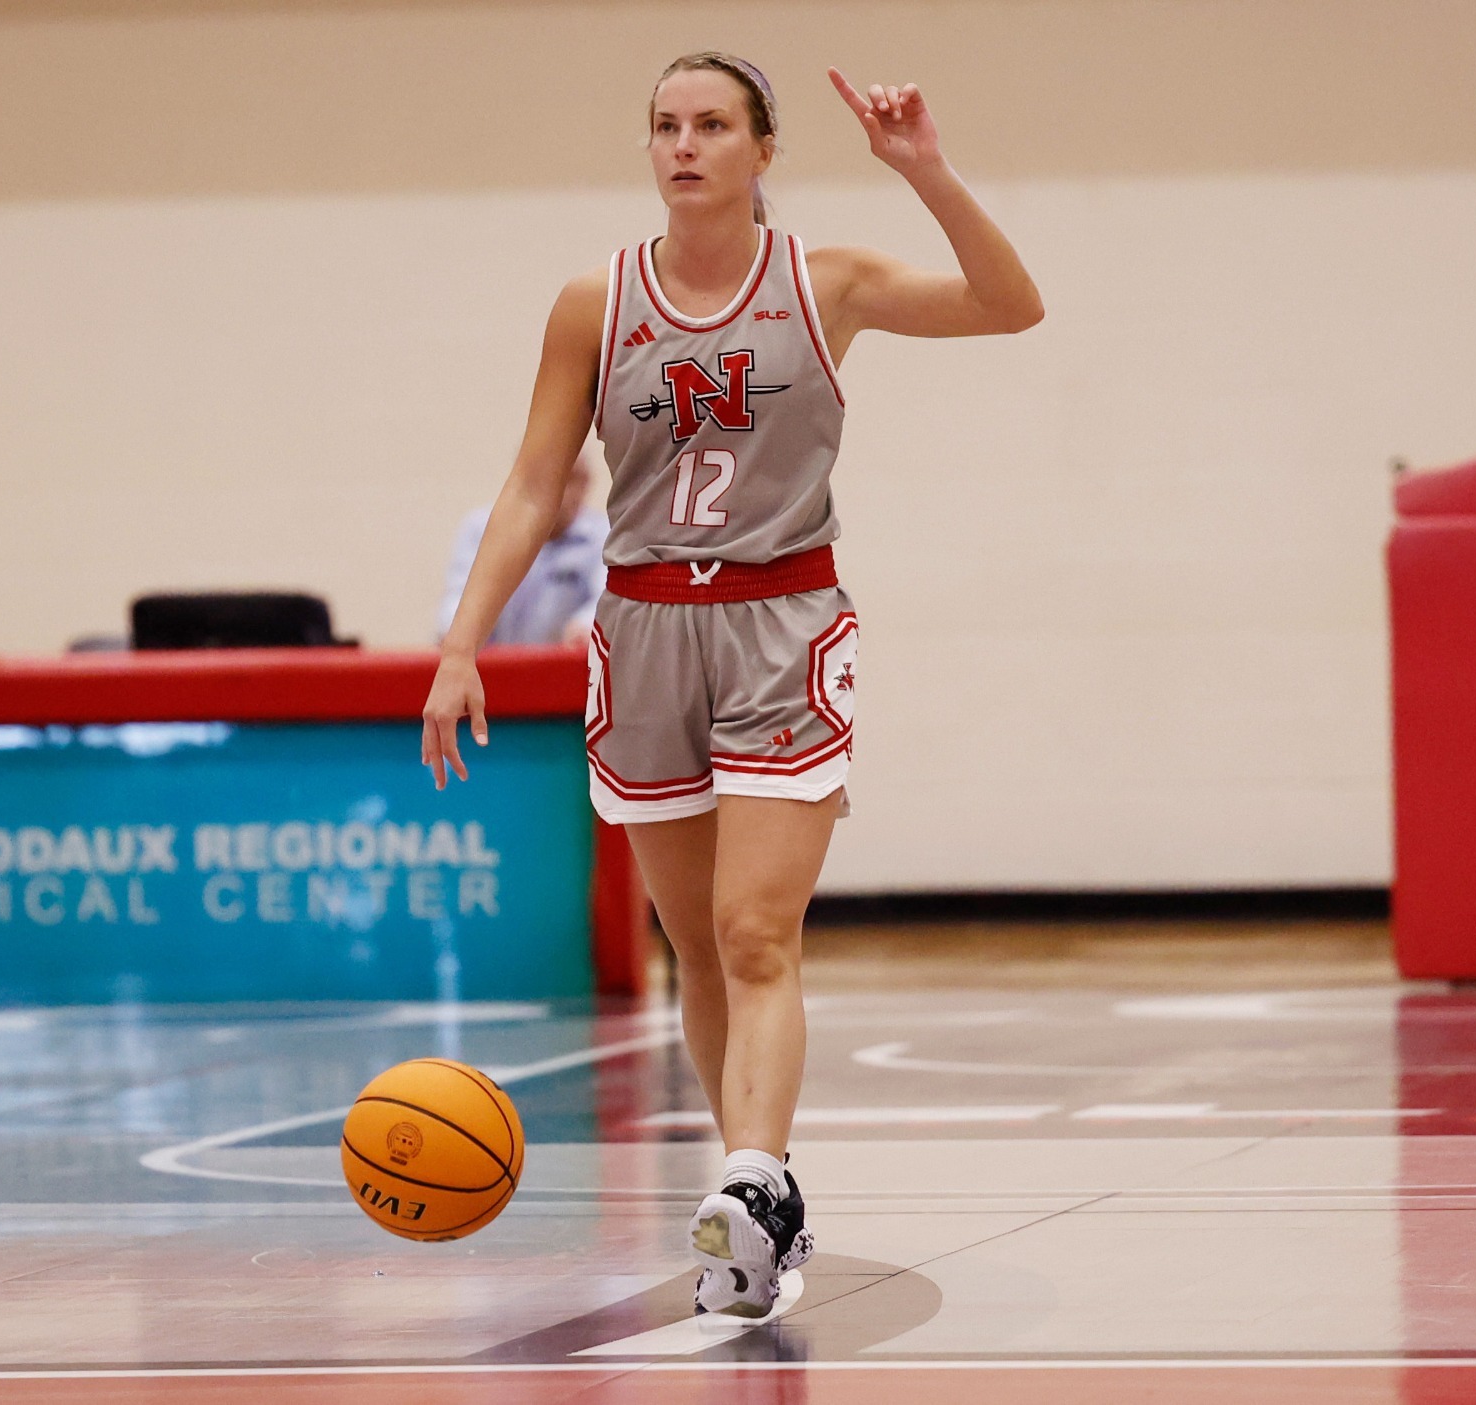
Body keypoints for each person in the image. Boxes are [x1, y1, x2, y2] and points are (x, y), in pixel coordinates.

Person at [420, 52, 1040, 1318]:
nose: (684, 145)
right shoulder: (596, 302)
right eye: (664, 125)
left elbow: (1008, 302)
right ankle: (764, 1201)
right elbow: (536, 483)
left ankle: (752, 1181)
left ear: (763, 150)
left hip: (779, 621)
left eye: (712, 124)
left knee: (759, 930)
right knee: (694, 945)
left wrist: (923, 169)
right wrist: (460, 644)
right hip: (643, 627)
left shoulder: (828, 281)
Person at [434, 441, 607, 646]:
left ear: (586, 484)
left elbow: (606, 600)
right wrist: (455, 631)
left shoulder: (604, 536)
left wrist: (587, 626)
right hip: (493, 667)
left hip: (567, 669)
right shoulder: (482, 529)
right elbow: (459, 595)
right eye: (542, 478)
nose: (558, 491)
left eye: (569, 480)